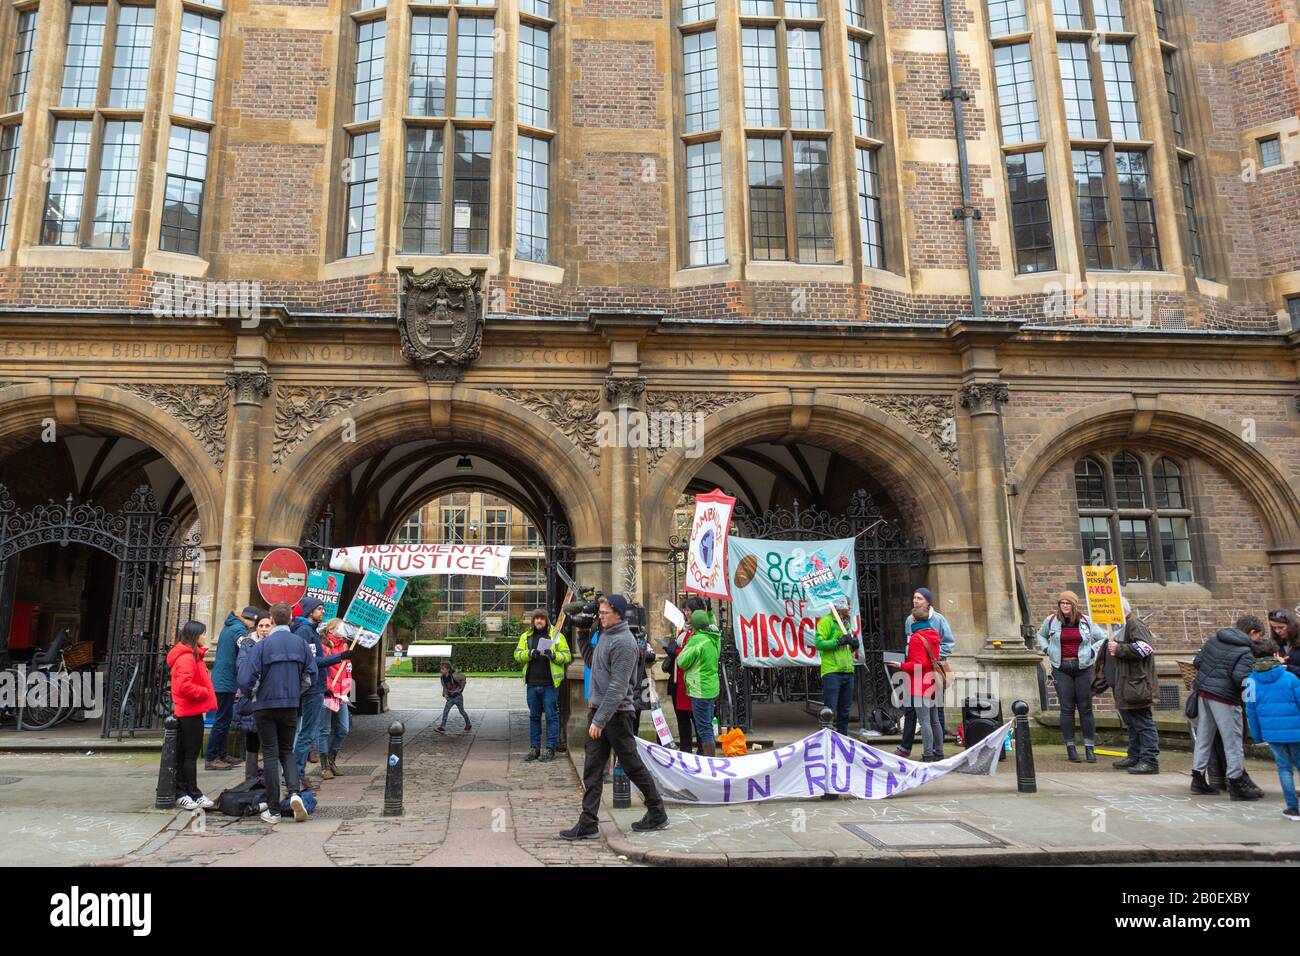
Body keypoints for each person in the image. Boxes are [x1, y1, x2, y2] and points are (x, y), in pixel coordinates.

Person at [560, 594, 667, 840]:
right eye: (600, 612)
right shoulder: (607, 636)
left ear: (618, 613)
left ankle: (657, 811)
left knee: (632, 766)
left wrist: (600, 720)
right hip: (600, 711)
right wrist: (583, 635)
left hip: (617, 716)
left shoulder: (624, 643)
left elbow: (618, 687)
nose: (600, 616)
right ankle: (588, 823)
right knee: (593, 769)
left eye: (604, 612)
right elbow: (593, 662)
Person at [238, 602, 315, 824]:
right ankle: (293, 794)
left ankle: (273, 808)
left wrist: (253, 694)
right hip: (290, 705)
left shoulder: (262, 645)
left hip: (264, 706)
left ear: (271, 619)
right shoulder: (300, 643)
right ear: (291, 618)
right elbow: (310, 677)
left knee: (271, 754)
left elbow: (246, 678)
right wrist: (294, 693)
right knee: (287, 752)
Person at [1190, 626, 1263, 800]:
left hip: (1203, 693)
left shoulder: (1214, 640)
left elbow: (1197, 662)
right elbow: (1240, 679)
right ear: (1251, 634)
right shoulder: (1245, 652)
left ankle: (1198, 779)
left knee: (1203, 738)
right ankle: (1236, 783)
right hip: (1225, 698)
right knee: (1233, 742)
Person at [1036, 590, 1106, 763]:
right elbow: (1040, 635)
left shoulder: (1086, 621)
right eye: (1062, 603)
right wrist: (1047, 649)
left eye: (1068, 603)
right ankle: (1071, 748)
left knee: (1085, 707)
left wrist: (1092, 651)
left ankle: (1090, 747)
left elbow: (1103, 638)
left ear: (1074, 605)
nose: (1065, 606)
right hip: (1061, 668)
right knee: (1067, 708)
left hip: (1084, 668)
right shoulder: (1052, 621)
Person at [1094, 597, 1159, 774]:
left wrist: (1120, 649)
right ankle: (1134, 755)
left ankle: (1149, 760)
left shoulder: (1134, 625)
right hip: (1123, 683)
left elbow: (1145, 648)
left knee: (1142, 722)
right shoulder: (1118, 628)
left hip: (1136, 683)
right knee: (1131, 722)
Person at [291, 597, 351, 781]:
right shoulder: (305, 632)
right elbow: (311, 661)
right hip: (317, 689)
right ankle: (298, 776)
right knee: (309, 734)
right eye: (319, 609)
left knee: (340, 729)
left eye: (323, 609)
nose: (323, 612)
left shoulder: (312, 631)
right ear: (310, 611)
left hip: (332, 691)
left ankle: (300, 774)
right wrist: (338, 657)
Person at [1244, 635, 1300, 821]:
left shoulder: (1250, 682)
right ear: (1275, 654)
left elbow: (1250, 711)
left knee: (1284, 769)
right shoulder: (1290, 678)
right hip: (1296, 730)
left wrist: (1257, 736)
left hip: (1272, 732)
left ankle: (1292, 808)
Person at [894, 588, 955, 758]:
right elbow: (910, 644)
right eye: (914, 597)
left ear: (928, 602)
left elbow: (948, 644)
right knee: (918, 713)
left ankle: (930, 753)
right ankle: (933, 751)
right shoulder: (916, 624)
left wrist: (929, 660)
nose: (915, 601)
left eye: (919, 598)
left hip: (924, 676)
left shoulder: (938, 620)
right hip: (923, 674)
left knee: (929, 719)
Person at [167, 621, 218, 811]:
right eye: (203, 634)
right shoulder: (186, 658)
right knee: (189, 755)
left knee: (188, 755)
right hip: (188, 711)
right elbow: (184, 686)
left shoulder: (192, 656)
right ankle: (187, 793)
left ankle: (188, 791)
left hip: (192, 711)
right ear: (195, 636)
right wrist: (205, 692)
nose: (205, 637)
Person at [206, 605, 260, 771]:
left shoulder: (230, 626)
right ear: (250, 619)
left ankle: (222, 754)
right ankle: (212, 757)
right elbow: (246, 648)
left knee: (226, 718)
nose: (254, 626)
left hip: (223, 679)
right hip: (225, 681)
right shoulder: (239, 630)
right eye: (255, 622)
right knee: (221, 720)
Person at [514, 608, 572, 761]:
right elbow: (517, 654)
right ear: (533, 621)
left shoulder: (556, 636)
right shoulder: (526, 637)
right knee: (534, 717)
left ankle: (550, 749)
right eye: (536, 618)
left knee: (552, 717)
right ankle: (535, 748)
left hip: (550, 684)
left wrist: (554, 655)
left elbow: (567, 655)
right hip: (532, 684)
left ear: (546, 620)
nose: (538, 621)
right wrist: (529, 654)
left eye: (541, 618)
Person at [891, 624, 945, 760]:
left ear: (914, 620)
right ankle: (939, 753)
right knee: (935, 721)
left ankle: (928, 755)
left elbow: (919, 664)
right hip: (933, 682)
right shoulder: (934, 636)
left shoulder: (916, 638)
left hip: (920, 684)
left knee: (925, 722)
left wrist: (901, 665)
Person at [675, 608, 722, 757]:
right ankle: (710, 758)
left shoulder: (697, 639)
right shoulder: (715, 636)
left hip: (699, 688)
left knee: (703, 728)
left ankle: (710, 761)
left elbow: (682, 661)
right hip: (711, 687)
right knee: (707, 724)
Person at [233, 613, 273, 780]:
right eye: (261, 626)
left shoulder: (275, 644)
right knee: (251, 738)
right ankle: (250, 777)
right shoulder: (247, 644)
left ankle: (269, 778)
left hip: (269, 696)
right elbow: (241, 666)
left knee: (270, 740)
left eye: (267, 626)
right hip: (251, 695)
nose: (264, 629)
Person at [812, 596, 858, 735]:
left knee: (845, 712)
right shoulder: (826, 622)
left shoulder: (846, 623)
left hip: (847, 670)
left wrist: (853, 645)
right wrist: (838, 641)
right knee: (829, 712)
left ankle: (842, 739)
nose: (849, 607)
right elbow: (819, 644)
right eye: (847, 605)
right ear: (838, 606)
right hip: (832, 671)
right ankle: (828, 741)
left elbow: (846, 649)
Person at [318, 618, 354, 779]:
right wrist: (328, 688)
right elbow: (322, 668)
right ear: (331, 630)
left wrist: (346, 690)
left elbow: (347, 671)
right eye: (340, 627)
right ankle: (324, 766)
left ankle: (332, 759)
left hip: (341, 694)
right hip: (327, 693)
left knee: (343, 729)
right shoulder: (324, 646)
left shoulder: (345, 646)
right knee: (324, 730)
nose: (343, 630)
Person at [436, 661, 471, 733]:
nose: (441, 670)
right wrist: (445, 694)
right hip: (450, 698)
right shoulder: (442, 677)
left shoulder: (454, 675)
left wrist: (461, 689)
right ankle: (442, 726)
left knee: (462, 711)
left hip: (458, 697)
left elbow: (463, 678)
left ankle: (468, 724)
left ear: (448, 669)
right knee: (445, 711)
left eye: (443, 669)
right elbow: (444, 686)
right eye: (441, 669)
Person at [1268, 609, 1300, 678]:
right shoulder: (1274, 642)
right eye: (1274, 628)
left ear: (1291, 625)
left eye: (1281, 627)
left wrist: (1286, 665)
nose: (1277, 631)